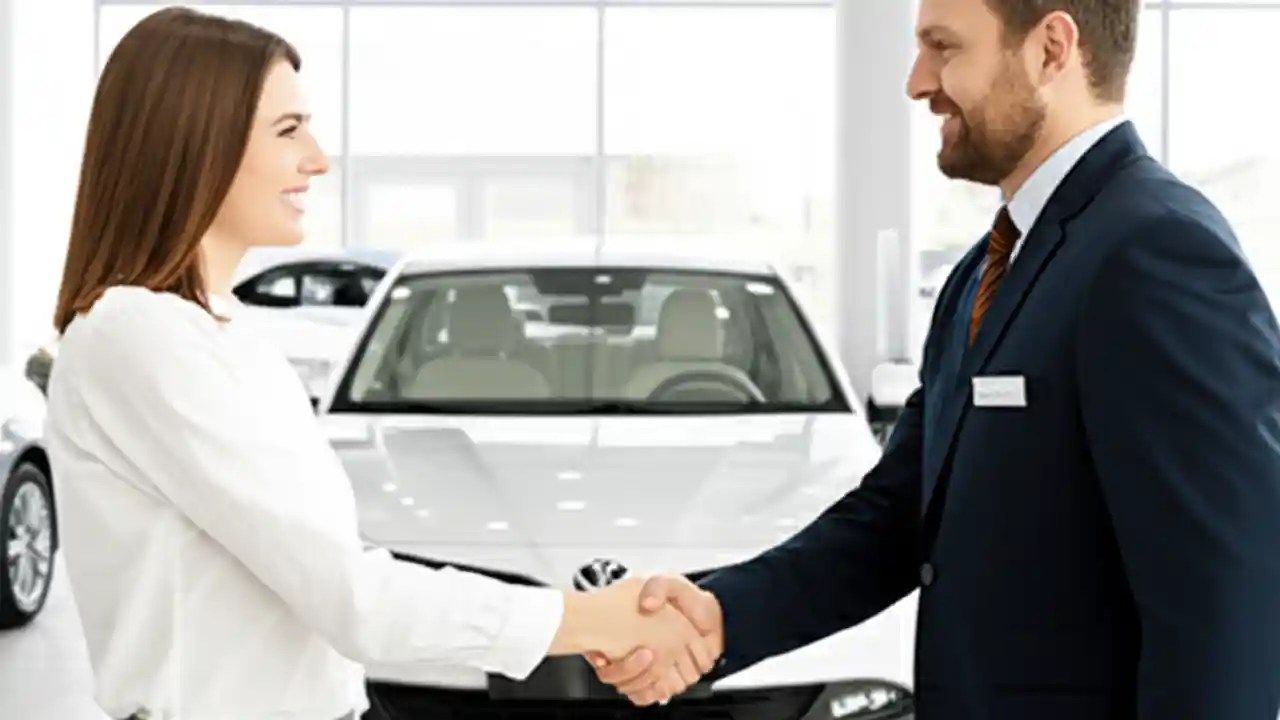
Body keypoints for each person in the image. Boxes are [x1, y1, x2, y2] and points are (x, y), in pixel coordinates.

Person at [592, 0, 1280, 716]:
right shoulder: (984, 271)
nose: (917, 82)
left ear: (1051, 49)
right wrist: (721, 615)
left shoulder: (1157, 251)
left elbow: (1229, 608)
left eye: (943, 47)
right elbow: (900, 515)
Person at [41, 8, 714, 720]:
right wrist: (595, 619)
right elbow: (352, 597)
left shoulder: (224, 334)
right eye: (289, 130)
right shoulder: (136, 337)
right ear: (196, 143)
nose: (317, 159)